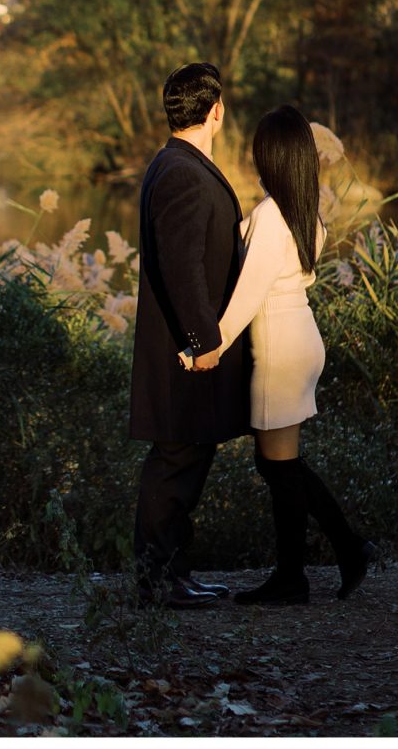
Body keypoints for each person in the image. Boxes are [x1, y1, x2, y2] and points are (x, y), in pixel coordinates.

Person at [214, 104, 376, 604]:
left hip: (281, 345)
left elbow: (251, 291)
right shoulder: (304, 214)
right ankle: (298, 573)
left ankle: (337, 555)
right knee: (278, 464)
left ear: (272, 159)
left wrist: (212, 344)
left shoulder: (270, 215)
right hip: (300, 336)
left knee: (281, 466)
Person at [129, 61, 252, 608]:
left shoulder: (173, 162)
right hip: (185, 351)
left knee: (186, 457)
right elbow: (183, 266)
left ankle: (173, 574)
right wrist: (204, 343)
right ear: (217, 111)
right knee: (176, 460)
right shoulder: (180, 170)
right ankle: (159, 581)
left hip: (187, 346)